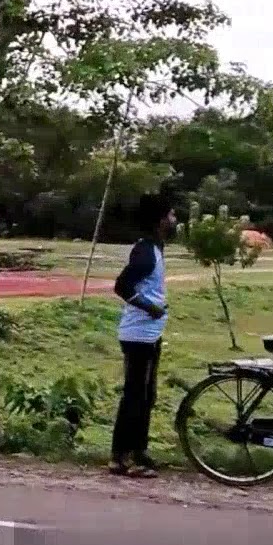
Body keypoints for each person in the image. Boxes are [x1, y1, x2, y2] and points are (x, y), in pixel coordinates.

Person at [109, 193, 177, 478]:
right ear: (160, 220)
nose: (175, 221)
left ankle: (137, 452)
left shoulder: (155, 248)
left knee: (146, 395)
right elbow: (122, 285)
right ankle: (124, 457)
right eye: (172, 215)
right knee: (136, 396)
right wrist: (150, 307)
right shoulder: (145, 251)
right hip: (138, 335)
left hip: (149, 334)